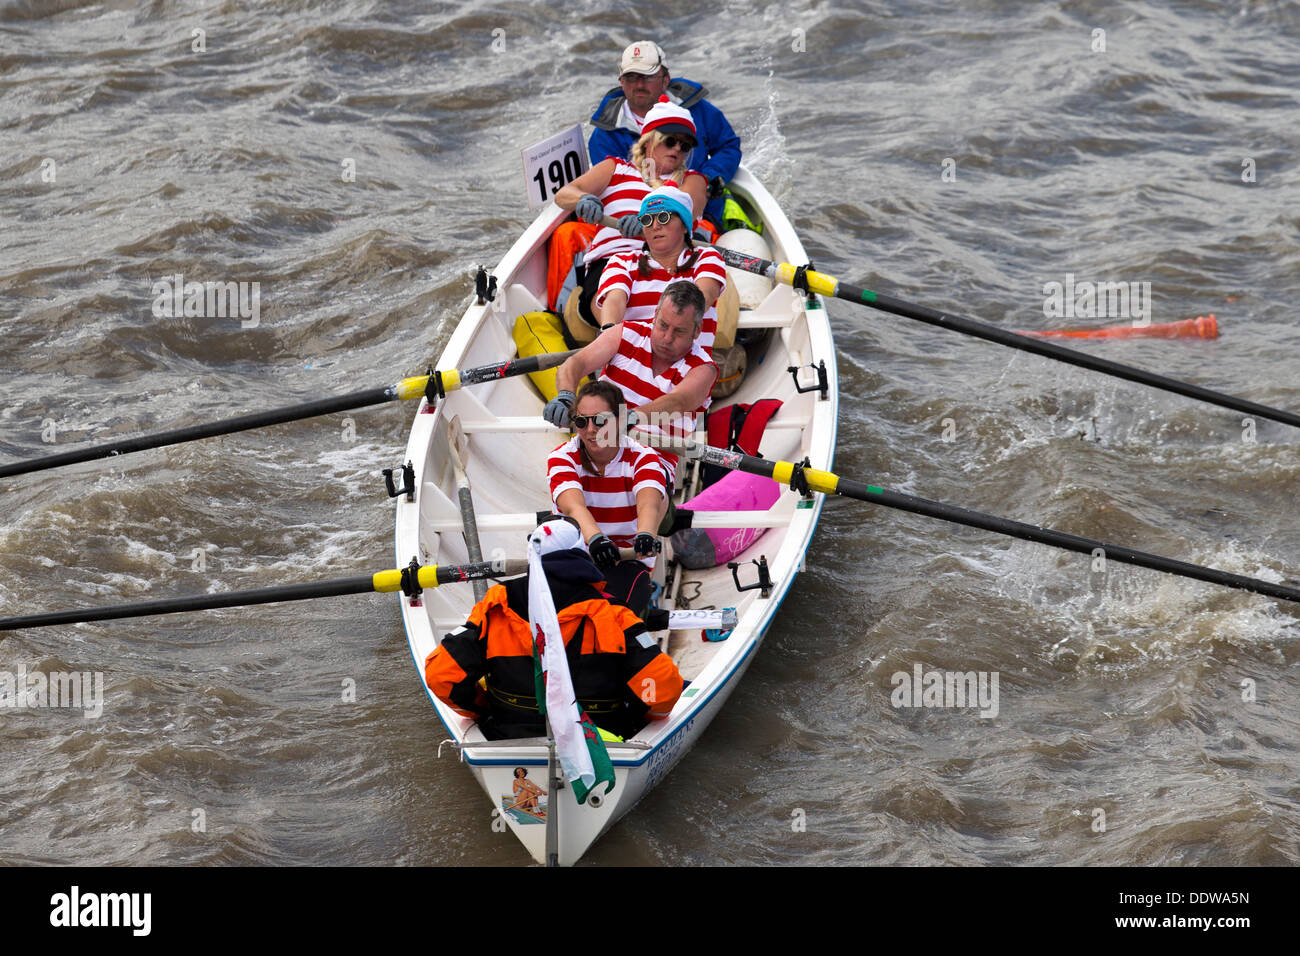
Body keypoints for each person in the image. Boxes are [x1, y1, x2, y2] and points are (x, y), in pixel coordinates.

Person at [423, 517, 683, 741]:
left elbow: (441, 676)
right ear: (582, 556)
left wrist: (483, 710)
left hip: (509, 740)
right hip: (601, 746)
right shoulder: (614, 614)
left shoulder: (495, 606)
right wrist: (639, 718)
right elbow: (663, 688)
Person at [548, 98, 708, 318]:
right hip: (611, 260)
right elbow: (565, 194)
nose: (678, 149)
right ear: (649, 140)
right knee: (613, 295)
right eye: (670, 141)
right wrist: (583, 199)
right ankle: (613, 333)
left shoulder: (693, 181)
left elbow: (682, 213)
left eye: (685, 145)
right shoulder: (615, 168)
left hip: (667, 260)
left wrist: (645, 221)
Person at [545, 280, 715, 485]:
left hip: (653, 460)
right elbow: (576, 363)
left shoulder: (704, 368)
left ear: (697, 331)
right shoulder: (624, 334)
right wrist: (566, 395)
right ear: (655, 314)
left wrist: (626, 419)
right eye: (662, 325)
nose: (667, 338)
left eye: (679, 331)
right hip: (595, 444)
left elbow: (677, 403)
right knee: (561, 465)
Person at [587, 41, 741, 228]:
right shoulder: (604, 135)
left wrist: (708, 177)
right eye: (631, 77)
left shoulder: (698, 109)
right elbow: (613, 190)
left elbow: (728, 146)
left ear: (665, 79)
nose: (639, 84)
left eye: (648, 77)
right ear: (621, 81)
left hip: (704, 213)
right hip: (633, 222)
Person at [548, 380, 667, 614]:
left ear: (621, 420)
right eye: (582, 422)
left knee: (612, 617)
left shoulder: (644, 457)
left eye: (600, 421)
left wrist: (645, 534)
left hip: (628, 559)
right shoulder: (562, 457)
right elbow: (574, 508)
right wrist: (596, 539)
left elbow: (648, 504)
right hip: (575, 557)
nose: (591, 430)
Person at [593, 185, 727, 356]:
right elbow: (614, 301)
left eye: (663, 217)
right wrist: (608, 331)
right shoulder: (622, 261)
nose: (655, 226)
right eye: (647, 220)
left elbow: (700, 300)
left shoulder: (707, 258)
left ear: (685, 226)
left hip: (686, 367)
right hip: (628, 361)